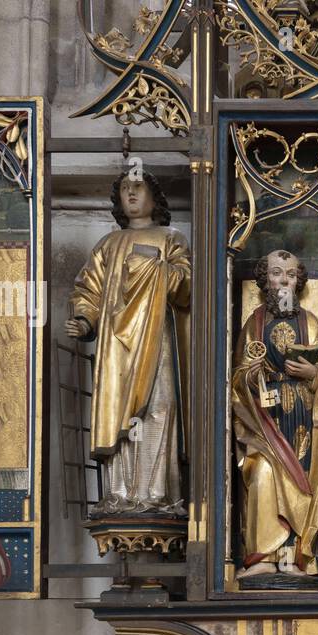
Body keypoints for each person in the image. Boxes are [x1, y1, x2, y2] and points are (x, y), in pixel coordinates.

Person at [68, 171, 191, 516]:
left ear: (155, 197)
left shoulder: (172, 238)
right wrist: (84, 319)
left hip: (157, 340)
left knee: (159, 408)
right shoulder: (108, 244)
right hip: (116, 347)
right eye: (125, 189)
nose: (131, 194)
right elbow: (88, 289)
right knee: (117, 411)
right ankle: (120, 494)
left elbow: (187, 288)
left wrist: (157, 270)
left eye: (139, 188)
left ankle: (157, 494)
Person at [232, 250, 318, 576]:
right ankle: (262, 556)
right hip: (265, 421)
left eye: (290, 274)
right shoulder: (254, 323)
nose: (284, 280)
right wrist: (254, 373)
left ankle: (293, 558)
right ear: (265, 280)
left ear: (298, 281)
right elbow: (237, 375)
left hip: (303, 420)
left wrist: (314, 374)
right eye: (277, 273)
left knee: (301, 485)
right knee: (262, 473)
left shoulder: (311, 323)